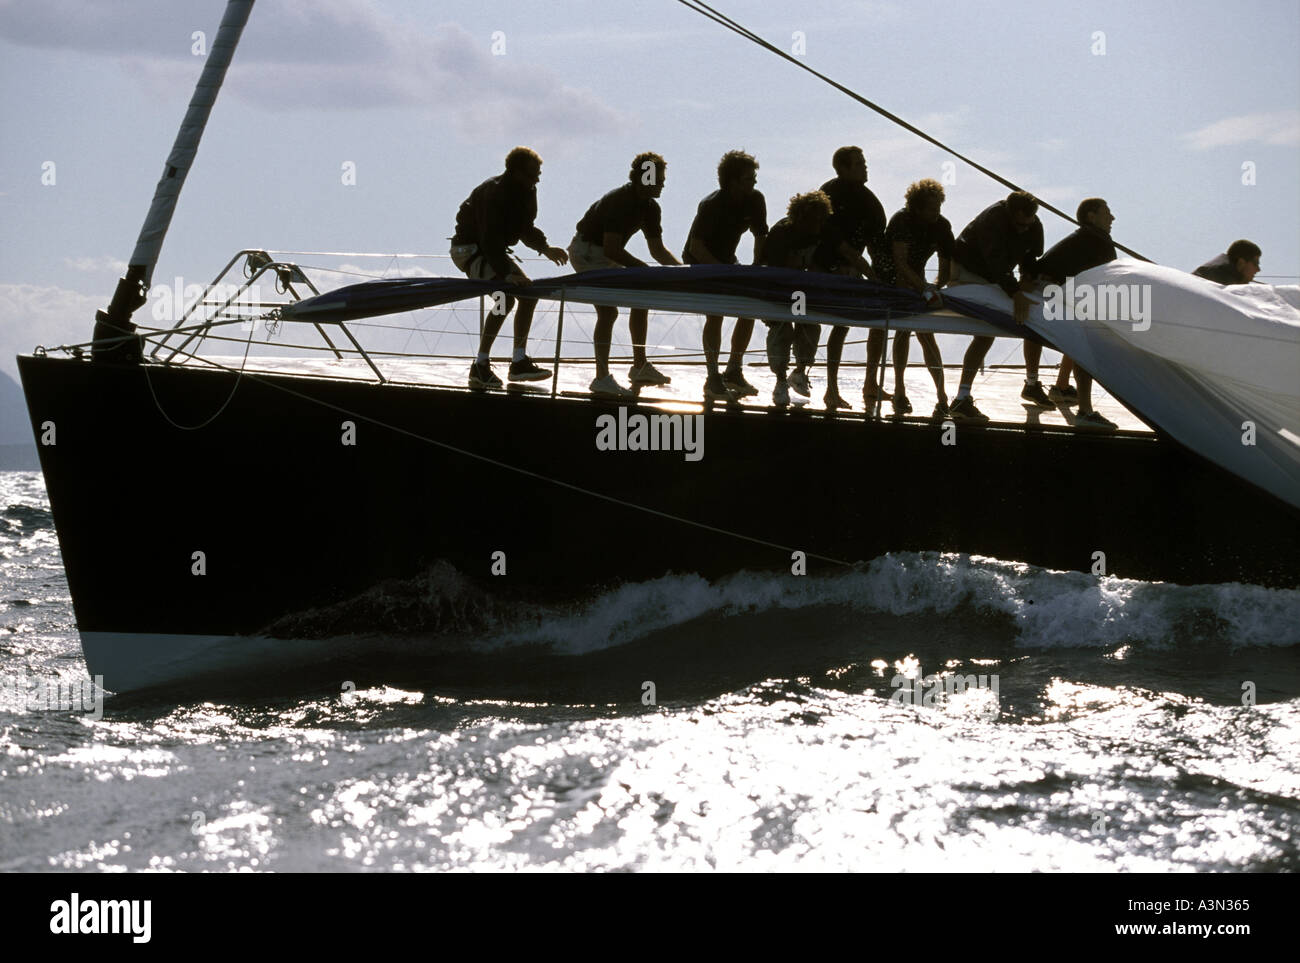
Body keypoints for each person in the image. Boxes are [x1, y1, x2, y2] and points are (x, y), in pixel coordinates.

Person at [450, 146, 570, 389]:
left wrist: (545, 248)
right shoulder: (494, 193)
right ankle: (480, 365)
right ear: (515, 172)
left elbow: (525, 228)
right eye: (532, 174)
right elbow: (489, 239)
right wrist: (507, 273)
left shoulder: (527, 190)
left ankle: (518, 362)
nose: (537, 179)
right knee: (505, 299)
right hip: (470, 250)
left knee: (529, 295)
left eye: (538, 174)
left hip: (492, 250)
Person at [568, 152, 682, 398]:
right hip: (586, 252)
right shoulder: (620, 201)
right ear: (646, 178)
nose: (663, 184)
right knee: (608, 312)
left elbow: (658, 250)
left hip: (606, 255)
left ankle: (639, 366)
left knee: (642, 296)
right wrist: (643, 269)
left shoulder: (651, 208)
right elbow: (612, 249)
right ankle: (601, 378)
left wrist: (682, 272)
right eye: (659, 179)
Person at [946, 190, 1044, 423]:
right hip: (969, 270)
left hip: (996, 276)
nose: (1023, 229)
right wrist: (1015, 293)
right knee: (985, 332)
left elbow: (1030, 258)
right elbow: (996, 262)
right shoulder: (994, 220)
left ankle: (1031, 383)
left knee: (1030, 307)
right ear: (1011, 214)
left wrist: (1027, 281)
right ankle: (961, 398)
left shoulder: (1034, 225)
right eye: (1019, 225)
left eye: (1028, 224)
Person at [683, 150, 769, 402]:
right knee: (716, 313)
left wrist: (756, 267)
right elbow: (696, 247)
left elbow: (760, 236)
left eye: (754, 178)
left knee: (749, 307)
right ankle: (712, 378)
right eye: (748, 179)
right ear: (733, 182)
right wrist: (723, 272)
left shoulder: (756, 199)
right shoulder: (711, 205)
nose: (754, 182)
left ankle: (733, 370)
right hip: (700, 259)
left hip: (728, 260)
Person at [1034, 197, 1119, 430]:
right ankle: (1085, 410)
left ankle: (1062, 387)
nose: (1112, 218)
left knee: (1079, 332)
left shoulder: (1085, 237)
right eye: (1107, 213)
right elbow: (1108, 279)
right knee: (1085, 340)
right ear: (1091, 216)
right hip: (1050, 293)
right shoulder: (1099, 241)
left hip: (1046, 290)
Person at [875, 178, 954, 421]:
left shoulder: (942, 225)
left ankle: (942, 396)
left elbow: (946, 265)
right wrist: (923, 289)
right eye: (931, 208)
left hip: (917, 273)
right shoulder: (902, 220)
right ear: (917, 208)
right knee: (903, 330)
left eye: (938, 207)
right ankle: (899, 390)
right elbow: (900, 262)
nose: (936, 212)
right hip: (891, 273)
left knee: (927, 333)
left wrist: (936, 288)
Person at [818, 146, 886, 409]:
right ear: (843, 169)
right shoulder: (828, 196)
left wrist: (881, 277)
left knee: (878, 317)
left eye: (864, 163)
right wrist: (870, 273)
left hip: (853, 267)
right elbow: (839, 245)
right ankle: (830, 388)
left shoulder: (870, 203)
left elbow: (876, 244)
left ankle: (870, 383)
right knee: (838, 323)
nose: (865, 168)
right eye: (859, 164)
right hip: (824, 265)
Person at [760, 190, 841, 408]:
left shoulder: (821, 232)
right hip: (776, 288)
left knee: (810, 326)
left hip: (803, 289)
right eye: (815, 220)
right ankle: (780, 381)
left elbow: (826, 260)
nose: (819, 224)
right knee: (781, 330)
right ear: (802, 217)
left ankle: (799, 372)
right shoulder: (781, 233)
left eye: (822, 220)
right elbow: (773, 269)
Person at [1193, 240, 1262, 285]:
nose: (1258, 269)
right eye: (1255, 264)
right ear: (1241, 263)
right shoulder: (1220, 279)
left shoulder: (1218, 272)